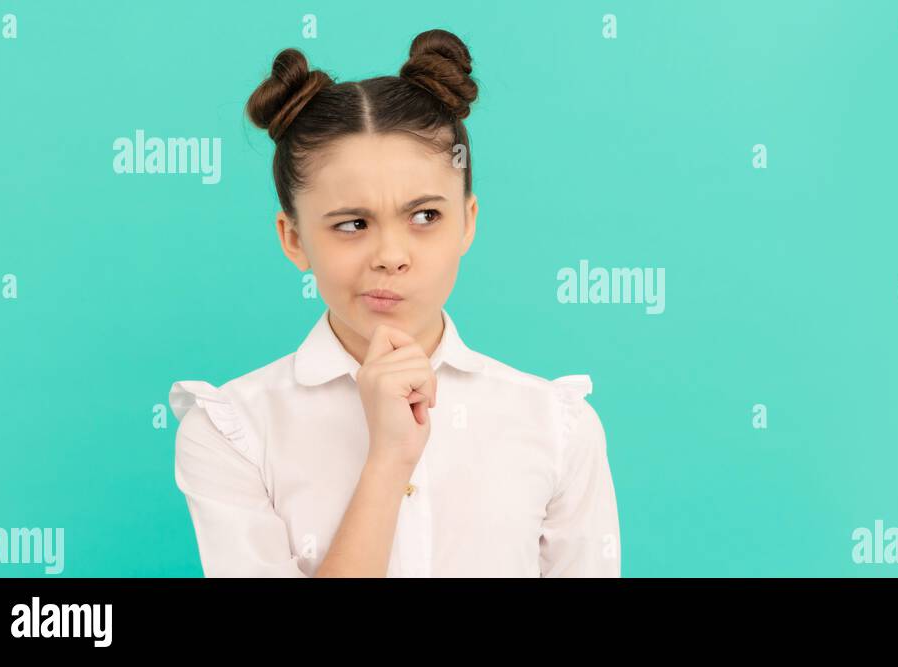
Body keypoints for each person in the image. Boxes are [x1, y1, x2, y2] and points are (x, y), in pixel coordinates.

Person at [167, 29, 620, 577]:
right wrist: (387, 461)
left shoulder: (557, 426)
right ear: (294, 240)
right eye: (352, 224)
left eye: (425, 216)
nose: (391, 256)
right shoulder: (232, 431)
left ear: (468, 222)